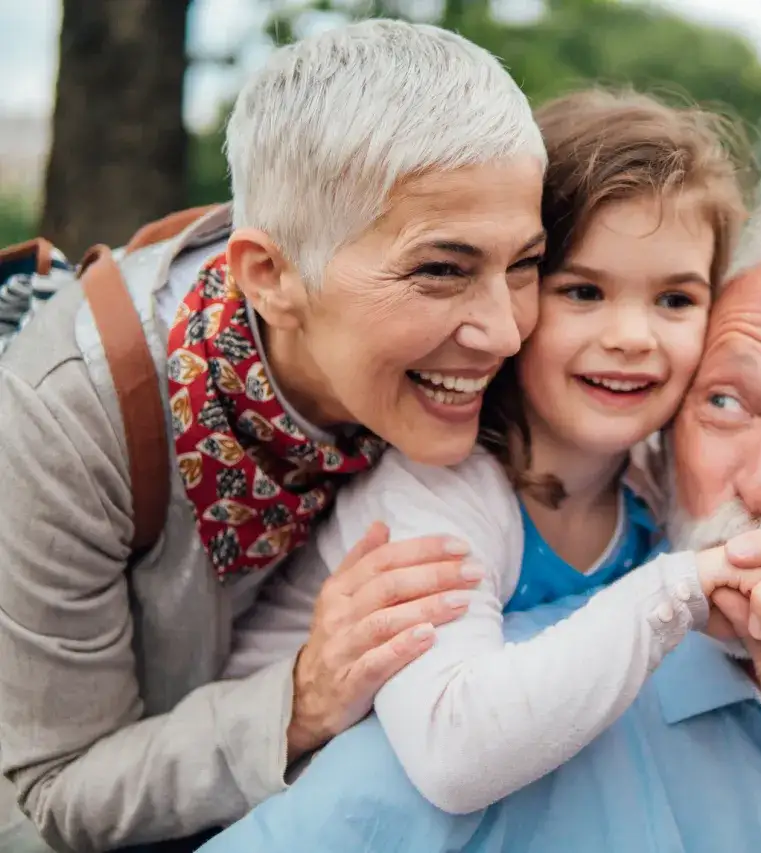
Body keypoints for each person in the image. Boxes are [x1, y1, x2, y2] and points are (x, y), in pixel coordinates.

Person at [217, 89, 761, 823]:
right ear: (515, 295)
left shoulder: (654, 471)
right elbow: (452, 753)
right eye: (584, 291)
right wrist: (678, 589)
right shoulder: (440, 492)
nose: (631, 336)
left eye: (675, 299)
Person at [0, 20, 550, 852]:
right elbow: (47, 793)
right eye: (442, 269)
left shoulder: (437, 357)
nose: (507, 333)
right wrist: (299, 701)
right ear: (271, 275)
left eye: (525, 263)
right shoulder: (68, 416)